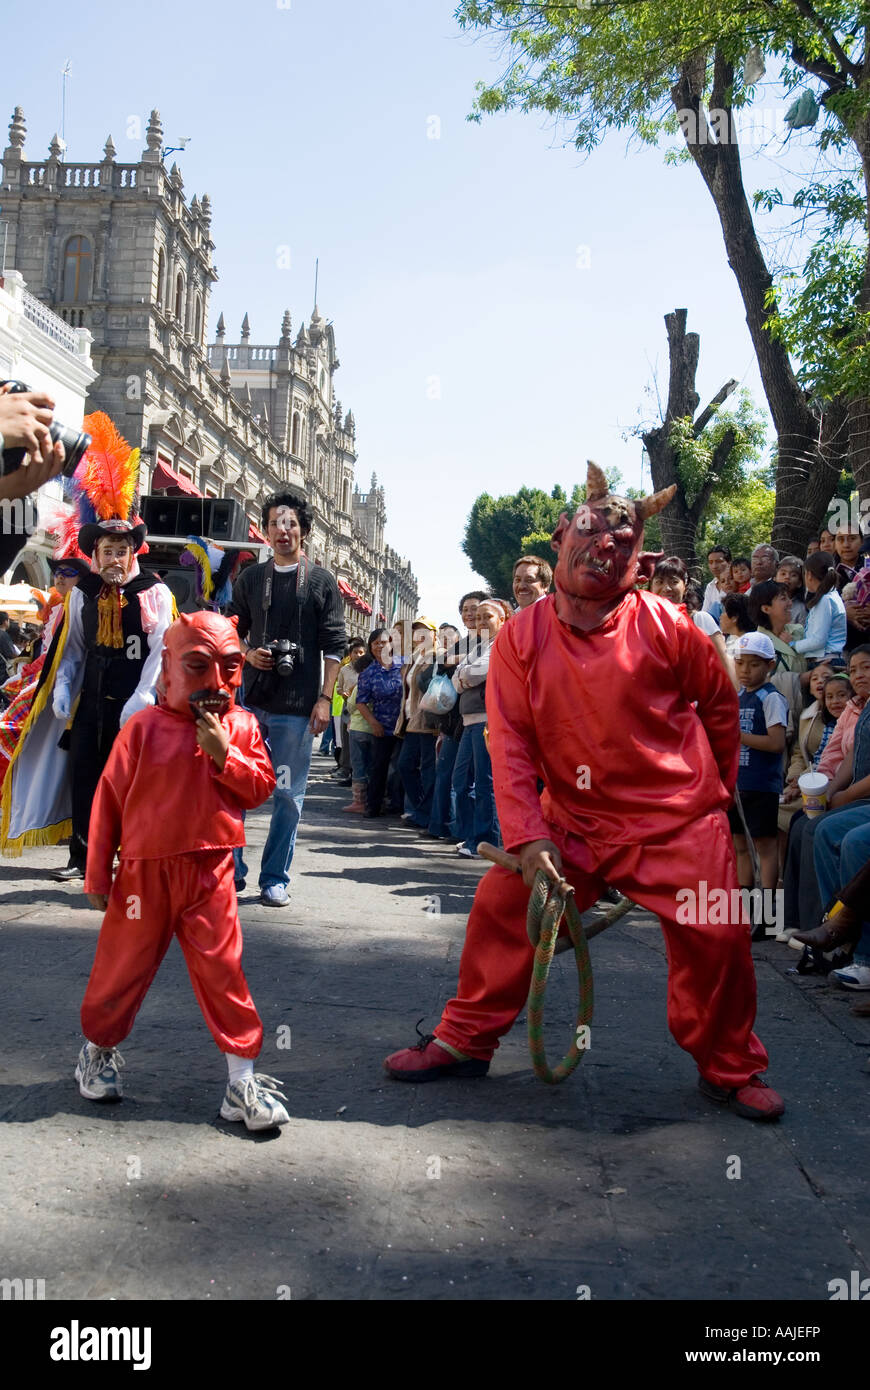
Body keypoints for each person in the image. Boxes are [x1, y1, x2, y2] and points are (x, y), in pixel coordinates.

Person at [384, 462, 783, 1122]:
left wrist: (711, 795)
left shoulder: (673, 625)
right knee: (500, 906)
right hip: (571, 818)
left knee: (718, 936)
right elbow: (506, 740)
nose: (603, 549)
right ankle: (466, 1038)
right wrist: (529, 833)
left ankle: (731, 1065)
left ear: (639, 559)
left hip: (675, 819)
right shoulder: (520, 636)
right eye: (591, 534)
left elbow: (717, 706)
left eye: (619, 543)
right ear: (560, 538)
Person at [74, 611, 289, 1131]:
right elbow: (109, 801)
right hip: (144, 874)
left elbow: (260, 789)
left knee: (224, 971)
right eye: (199, 666)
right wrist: (98, 874)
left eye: (230, 668)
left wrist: (225, 755)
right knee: (121, 967)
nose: (217, 683)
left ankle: (242, 1079)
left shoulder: (240, 725)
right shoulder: (144, 728)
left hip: (211, 869)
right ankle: (97, 1050)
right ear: (169, 667)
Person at [226, 492, 346, 906]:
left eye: (291, 523)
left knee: (288, 795)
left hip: (297, 709)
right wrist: (247, 653)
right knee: (235, 787)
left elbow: (334, 645)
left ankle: (274, 876)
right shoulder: (250, 579)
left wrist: (325, 699)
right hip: (250, 703)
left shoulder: (320, 581)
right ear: (265, 530)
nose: (283, 530)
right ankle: (233, 870)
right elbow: (231, 628)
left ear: (304, 531)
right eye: (276, 523)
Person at [50, 520, 174, 880]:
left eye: (122, 551)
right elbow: (73, 649)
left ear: (132, 554)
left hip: (133, 707)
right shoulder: (82, 592)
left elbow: (161, 649)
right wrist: (63, 686)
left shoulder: (154, 592)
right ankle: (82, 857)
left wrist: (143, 695)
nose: (115, 559)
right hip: (91, 703)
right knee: (85, 777)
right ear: (95, 555)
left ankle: (130, 856)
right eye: (108, 551)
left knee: (130, 784)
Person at [729, 632, 788, 936]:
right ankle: (744, 910)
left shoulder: (772, 698)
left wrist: (737, 737)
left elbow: (776, 743)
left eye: (754, 664)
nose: (745, 670)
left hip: (761, 785)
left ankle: (766, 916)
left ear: (769, 665)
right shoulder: (736, 697)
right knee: (739, 845)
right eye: (740, 663)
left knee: (765, 847)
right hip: (736, 784)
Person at [450, 598, 511, 858]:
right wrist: (464, 676)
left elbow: (476, 673)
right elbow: (457, 678)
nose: (483, 621)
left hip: (488, 720)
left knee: (485, 783)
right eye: (480, 616)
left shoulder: (502, 643)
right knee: (460, 781)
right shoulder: (480, 645)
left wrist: (464, 676)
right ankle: (471, 835)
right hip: (469, 721)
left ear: (502, 620)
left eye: (489, 617)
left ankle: (487, 841)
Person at [649, 557, 732, 679]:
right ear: (650, 588)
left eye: (673, 581)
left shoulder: (700, 620)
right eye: (659, 582)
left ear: (685, 587)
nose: (667, 588)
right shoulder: (646, 625)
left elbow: (726, 665)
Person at [396, 618, 441, 830]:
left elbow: (430, 685)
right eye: (416, 632)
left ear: (434, 635)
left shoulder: (438, 656)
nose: (419, 636)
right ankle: (421, 809)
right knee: (405, 766)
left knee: (428, 769)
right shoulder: (414, 658)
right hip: (411, 720)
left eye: (425, 631)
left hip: (429, 720)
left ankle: (426, 814)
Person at [355, 629, 404, 818]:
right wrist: (373, 723)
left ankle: (399, 805)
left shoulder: (403, 664)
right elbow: (361, 702)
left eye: (383, 642)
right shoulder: (368, 673)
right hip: (381, 726)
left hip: (404, 725)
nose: (379, 646)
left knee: (401, 767)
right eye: (375, 643)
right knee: (378, 767)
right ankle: (373, 805)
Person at [790, 551, 847, 663]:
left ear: (809, 575)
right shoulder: (832, 596)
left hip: (825, 660)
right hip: (829, 658)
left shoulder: (825, 600)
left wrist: (793, 644)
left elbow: (819, 640)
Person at [775, 556, 808, 627]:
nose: (787, 577)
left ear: (799, 583)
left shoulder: (801, 608)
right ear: (775, 578)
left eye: (793, 575)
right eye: (783, 574)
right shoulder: (767, 601)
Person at [719, 593, 754, 657]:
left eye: (723, 611)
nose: (720, 616)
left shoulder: (745, 647)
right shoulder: (731, 639)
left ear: (734, 617)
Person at [702, 545, 731, 616]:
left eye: (719, 561)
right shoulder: (710, 586)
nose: (714, 566)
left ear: (729, 563)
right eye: (711, 562)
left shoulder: (736, 583)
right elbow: (705, 612)